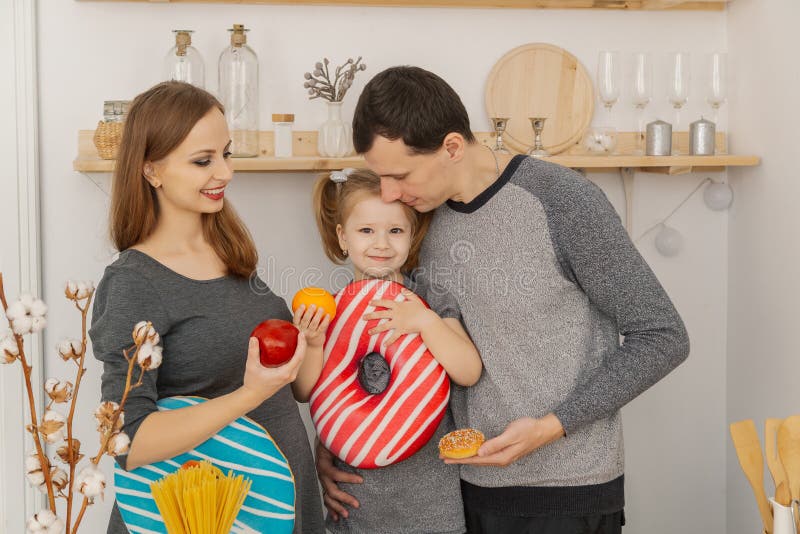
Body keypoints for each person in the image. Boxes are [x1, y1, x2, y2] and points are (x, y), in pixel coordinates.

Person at [317, 66, 691, 534]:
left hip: (567, 490)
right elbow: (395, 356)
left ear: (452, 147)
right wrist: (334, 442)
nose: (389, 194)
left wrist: (552, 425)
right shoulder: (419, 227)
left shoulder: (562, 201)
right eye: (380, 177)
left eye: (400, 175)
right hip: (465, 489)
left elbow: (662, 336)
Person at [89, 81, 324, 534]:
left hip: (278, 499)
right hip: (208, 516)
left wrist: (310, 342)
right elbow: (129, 441)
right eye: (203, 161)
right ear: (151, 170)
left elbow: (295, 390)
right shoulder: (134, 282)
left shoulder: (229, 251)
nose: (225, 173)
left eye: (226, 154)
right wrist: (248, 396)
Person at [294, 168, 482, 533]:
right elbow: (304, 391)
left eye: (395, 230)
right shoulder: (329, 310)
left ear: (412, 236)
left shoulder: (430, 300)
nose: (381, 243)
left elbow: (469, 371)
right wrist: (315, 342)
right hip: (357, 503)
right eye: (366, 231)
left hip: (429, 503)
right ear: (342, 237)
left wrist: (425, 322)